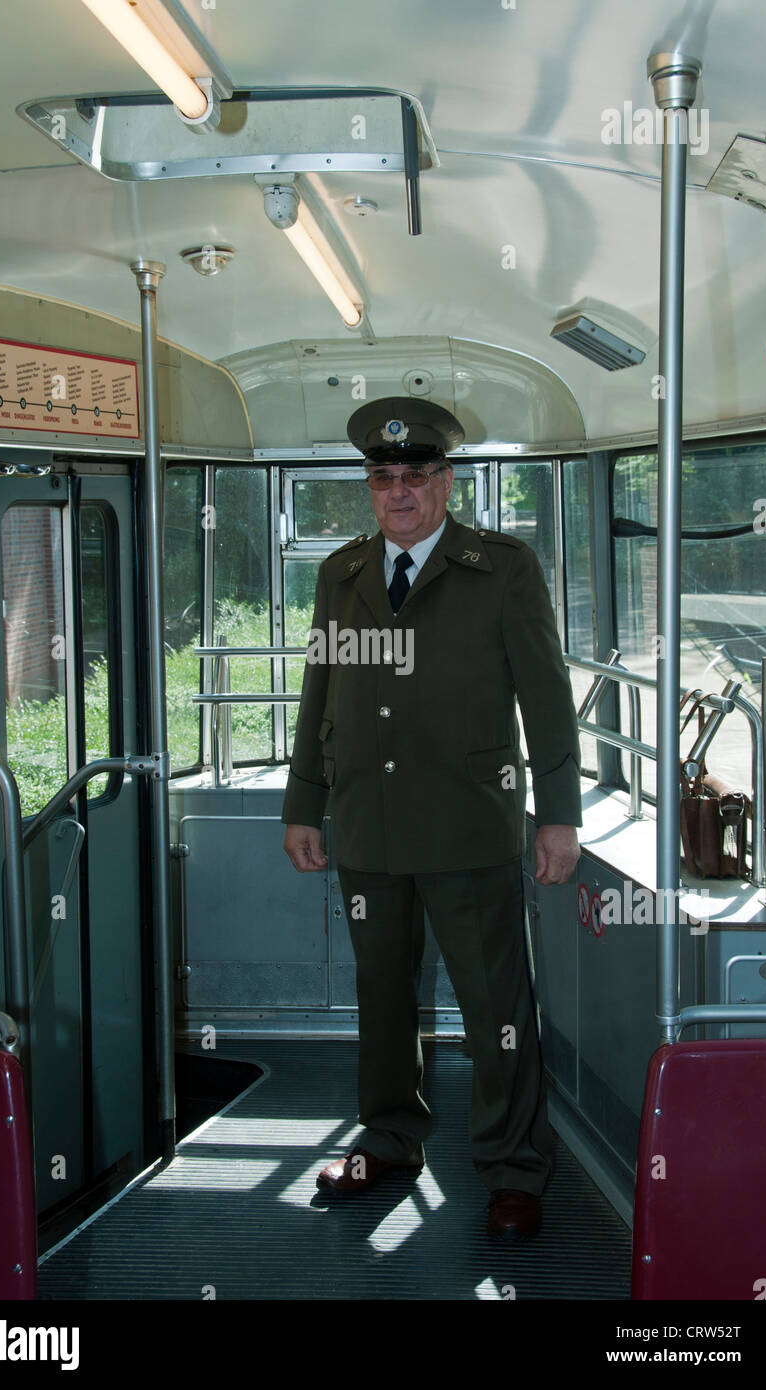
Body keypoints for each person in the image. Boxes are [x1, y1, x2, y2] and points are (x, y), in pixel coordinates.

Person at [282, 396, 581, 1240]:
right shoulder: (339, 574)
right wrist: (304, 803)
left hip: (469, 826)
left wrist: (557, 814)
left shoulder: (502, 567)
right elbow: (320, 694)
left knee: (497, 1012)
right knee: (380, 999)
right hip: (368, 825)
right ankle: (387, 1141)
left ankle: (513, 1167)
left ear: (446, 481)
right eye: (384, 477)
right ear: (369, 488)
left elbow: (546, 698)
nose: (399, 490)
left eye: (416, 475)